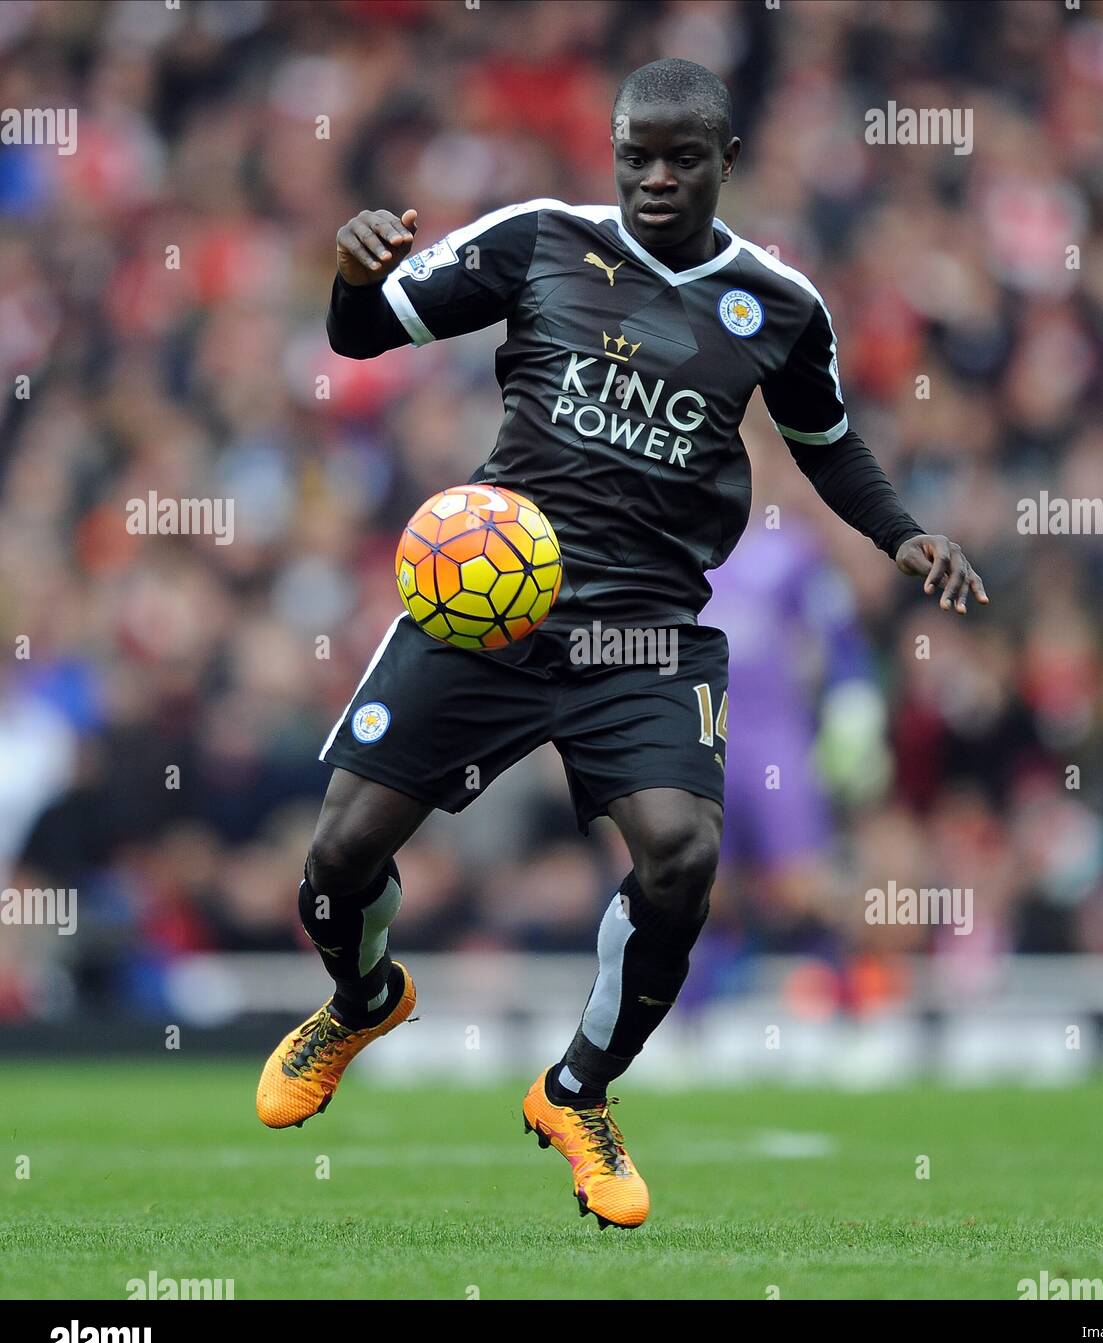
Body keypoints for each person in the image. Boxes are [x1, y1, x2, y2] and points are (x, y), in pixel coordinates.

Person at [255, 58, 987, 1230]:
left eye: (681, 157)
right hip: (492, 605)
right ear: (611, 148)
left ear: (724, 161)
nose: (654, 177)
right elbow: (360, 338)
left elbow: (826, 441)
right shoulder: (536, 239)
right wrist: (348, 277)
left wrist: (901, 536)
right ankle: (362, 1000)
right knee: (338, 856)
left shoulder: (778, 304)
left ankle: (578, 1091)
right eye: (635, 153)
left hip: (644, 629)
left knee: (682, 858)